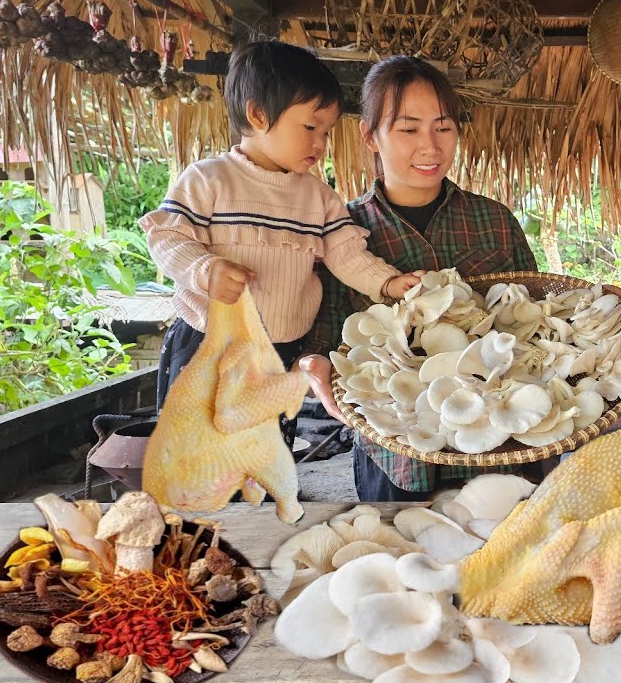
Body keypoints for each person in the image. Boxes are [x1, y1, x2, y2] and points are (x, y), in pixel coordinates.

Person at [298, 55, 541, 502]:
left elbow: (536, 318)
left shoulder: (494, 221)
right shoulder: (342, 230)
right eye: (408, 129)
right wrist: (314, 365)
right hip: (396, 453)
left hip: (504, 444)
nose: (430, 146)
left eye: (443, 127)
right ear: (370, 135)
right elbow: (325, 333)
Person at [141, 40, 417, 420]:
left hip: (281, 350)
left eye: (326, 131)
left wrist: (387, 283)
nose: (320, 143)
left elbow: (346, 254)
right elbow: (166, 237)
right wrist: (205, 271)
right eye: (310, 126)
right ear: (257, 114)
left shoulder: (319, 197)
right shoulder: (208, 180)